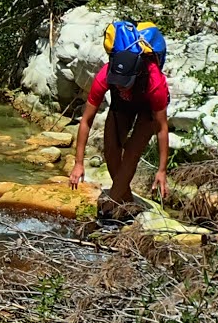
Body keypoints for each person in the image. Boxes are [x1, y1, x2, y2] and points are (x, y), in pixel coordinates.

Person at [68, 19, 172, 213]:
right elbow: (86, 121)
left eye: (124, 83)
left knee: (132, 150)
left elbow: (161, 128)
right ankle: (125, 199)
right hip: (122, 105)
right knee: (111, 150)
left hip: (147, 109)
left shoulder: (155, 82)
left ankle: (111, 207)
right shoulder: (105, 75)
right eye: (116, 82)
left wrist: (162, 170)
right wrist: (79, 163)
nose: (119, 86)